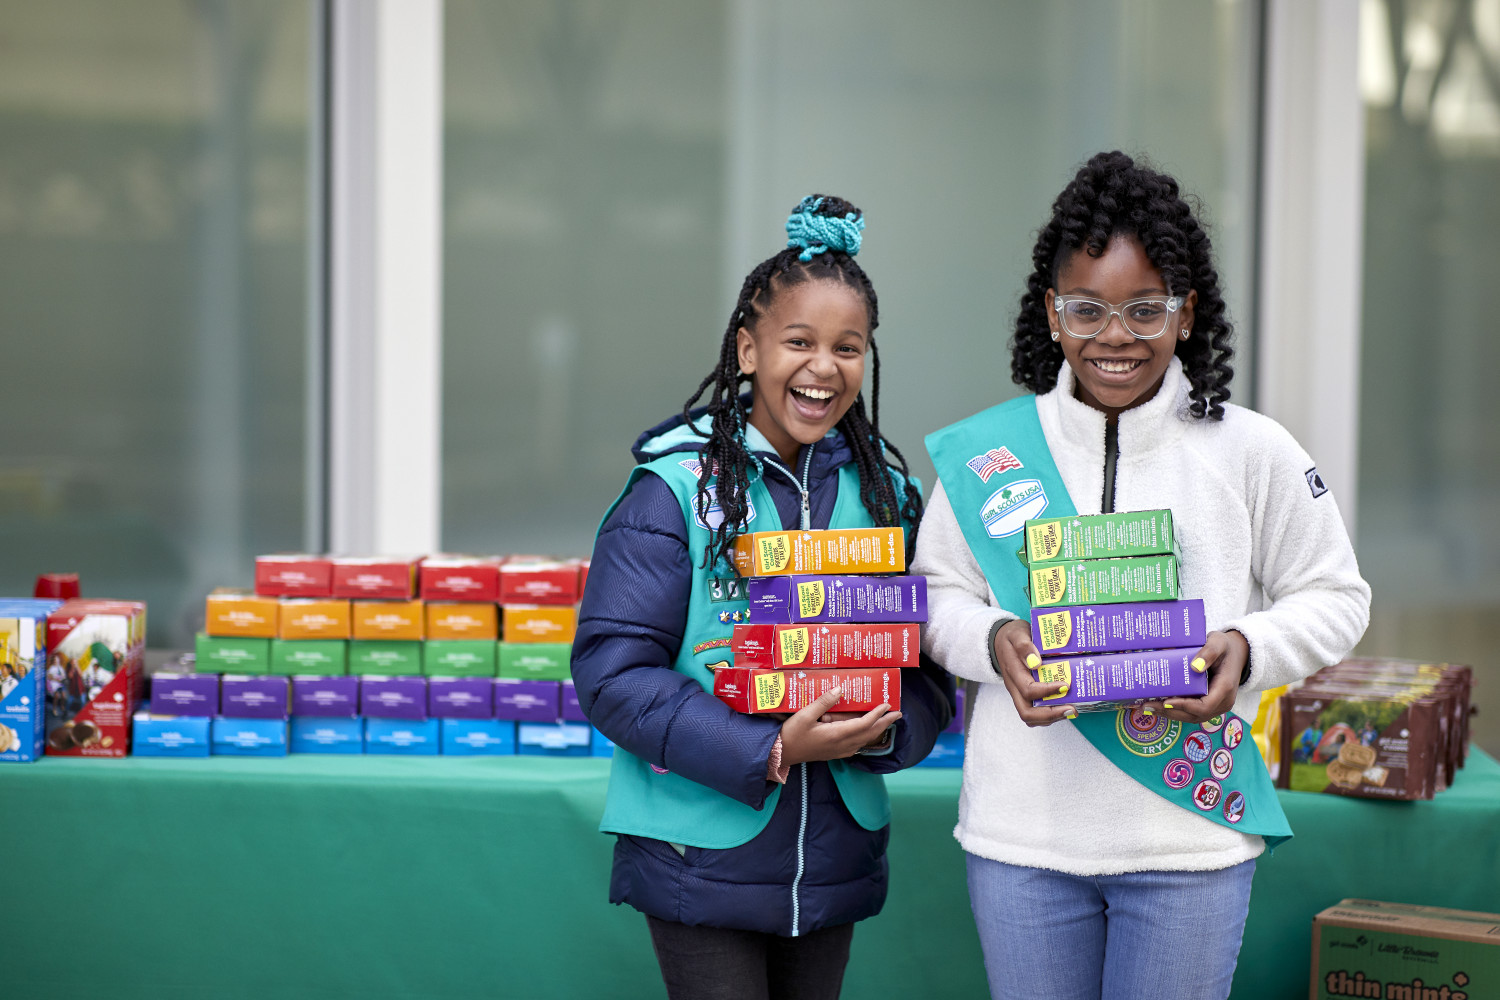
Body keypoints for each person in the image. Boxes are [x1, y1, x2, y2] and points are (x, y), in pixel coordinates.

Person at [914, 152, 1371, 1000]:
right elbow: (933, 594)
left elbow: (1338, 596)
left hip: (1188, 845)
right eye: (1086, 310)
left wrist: (1247, 645)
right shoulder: (989, 454)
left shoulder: (1252, 451)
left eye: (1144, 310)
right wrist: (992, 640)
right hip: (1023, 844)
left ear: (1186, 313)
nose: (1114, 336)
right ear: (1052, 313)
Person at [573, 194, 953, 1000]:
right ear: (747, 350)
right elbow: (613, 674)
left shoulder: (890, 496)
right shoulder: (674, 484)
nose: (824, 366)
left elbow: (925, 664)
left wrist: (877, 736)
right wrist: (772, 749)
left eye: (848, 347)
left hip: (835, 858)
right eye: (798, 341)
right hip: (697, 854)